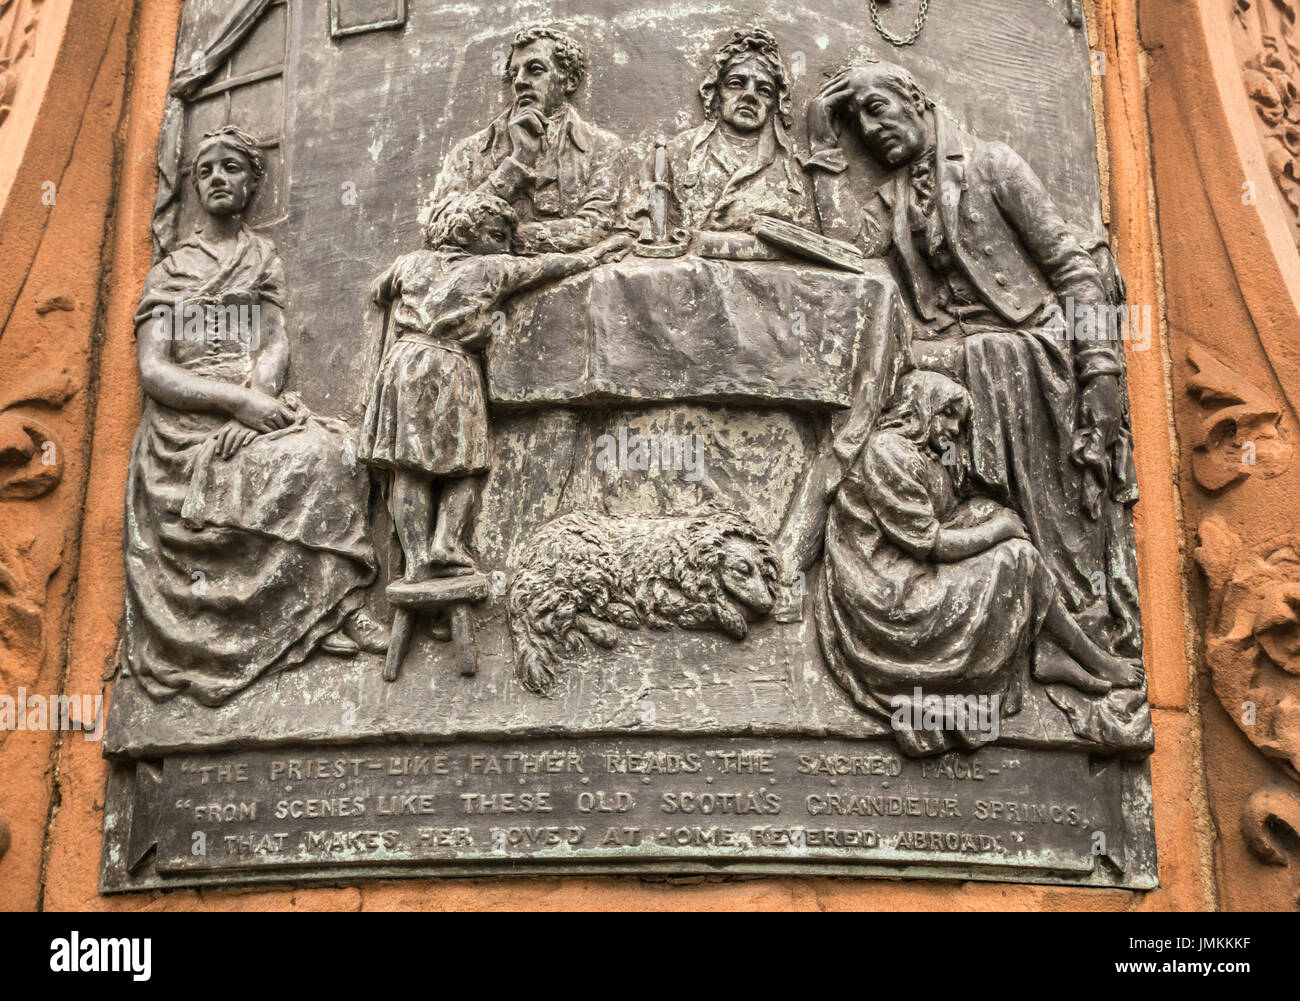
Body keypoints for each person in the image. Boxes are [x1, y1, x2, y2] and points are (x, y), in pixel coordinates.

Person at [804, 60, 1143, 692]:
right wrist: (822, 142)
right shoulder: (893, 196)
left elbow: (1072, 269)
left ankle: (1063, 617)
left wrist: (1098, 364)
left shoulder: (993, 165)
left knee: (989, 361)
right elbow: (846, 257)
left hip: (1025, 346)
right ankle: (876, 549)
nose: (871, 129)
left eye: (878, 107)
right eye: (856, 121)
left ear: (917, 99)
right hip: (951, 350)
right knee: (870, 364)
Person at [125, 126, 386, 706]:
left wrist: (257, 400)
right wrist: (233, 403)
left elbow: (273, 343)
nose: (218, 178)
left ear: (252, 183)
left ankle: (331, 609)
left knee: (338, 452)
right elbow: (153, 371)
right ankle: (293, 621)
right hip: (186, 431)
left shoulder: (261, 256)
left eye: (231, 169)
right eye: (206, 171)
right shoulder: (171, 269)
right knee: (307, 459)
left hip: (251, 411)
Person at [815, 371, 1142, 755]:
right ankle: (1094, 659)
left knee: (999, 529)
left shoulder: (923, 457)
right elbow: (930, 543)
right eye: (948, 415)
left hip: (907, 576)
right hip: (889, 602)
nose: (955, 428)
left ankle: (1048, 652)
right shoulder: (888, 451)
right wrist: (999, 528)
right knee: (1017, 557)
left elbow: (941, 518)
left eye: (960, 419)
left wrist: (983, 514)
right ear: (921, 409)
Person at [359, 191, 632, 595]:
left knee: (408, 466)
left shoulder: (409, 263)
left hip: (403, 364)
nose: (508, 244)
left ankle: (415, 562)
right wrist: (598, 254)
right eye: (498, 234)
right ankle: (446, 545)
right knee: (467, 464)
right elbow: (548, 267)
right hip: (451, 364)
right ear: (469, 231)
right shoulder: (493, 267)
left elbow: (379, 290)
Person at [424, 25, 626, 255]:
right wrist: (516, 164)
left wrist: (506, 239)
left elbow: (597, 225)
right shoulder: (469, 153)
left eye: (535, 70)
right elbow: (441, 228)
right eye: (514, 73)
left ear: (570, 80)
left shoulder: (603, 147)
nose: (520, 82)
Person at [646, 27, 814, 235]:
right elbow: (636, 227)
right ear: (716, 93)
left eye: (764, 90)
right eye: (736, 84)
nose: (750, 96)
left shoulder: (794, 170)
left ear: (775, 105)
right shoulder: (677, 153)